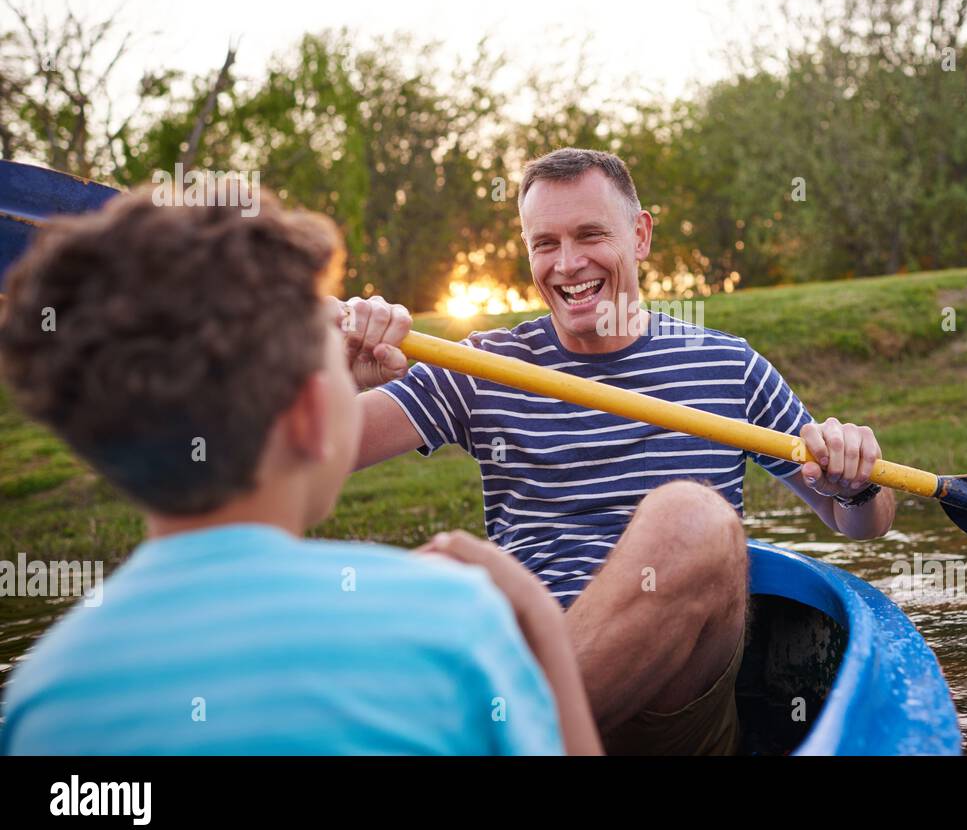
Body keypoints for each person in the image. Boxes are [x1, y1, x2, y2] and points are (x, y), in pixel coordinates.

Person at [0, 186, 600, 755]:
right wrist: (541, 624)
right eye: (334, 372)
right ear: (313, 415)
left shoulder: (46, 694)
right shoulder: (451, 618)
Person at [345, 148, 896, 755]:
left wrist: (857, 483)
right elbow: (304, 455)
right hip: (515, 662)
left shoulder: (728, 366)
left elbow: (860, 522)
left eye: (589, 235)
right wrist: (334, 373)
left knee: (692, 518)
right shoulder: (480, 365)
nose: (567, 264)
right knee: (444, 565)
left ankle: (510, 737)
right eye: (544, 244)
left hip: (665, 704)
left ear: (639, 235)